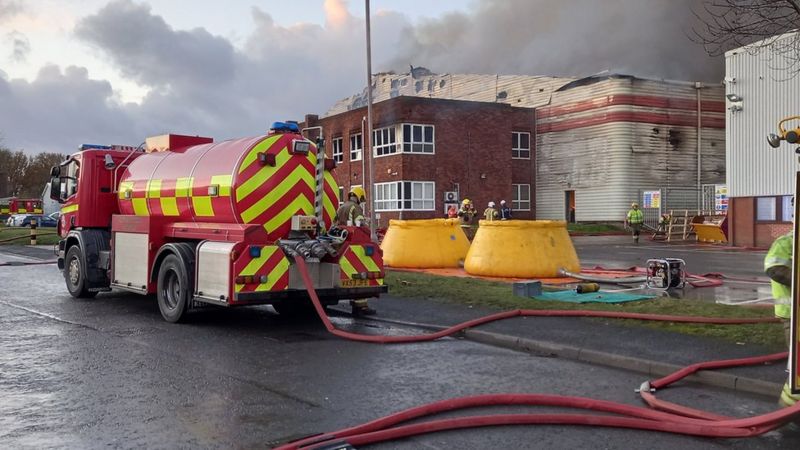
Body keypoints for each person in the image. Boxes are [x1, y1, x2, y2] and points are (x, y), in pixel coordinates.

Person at [764, 231, 800, 409]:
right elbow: (774, 268)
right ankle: (788, 411)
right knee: (797, 364)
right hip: (792, 313)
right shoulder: (786, 242)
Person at [334, 187, 376, 316]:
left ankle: (358, 304)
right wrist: (369, 231)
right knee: (360, 273)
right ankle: (361, 306)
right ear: (359, 197)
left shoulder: (342, 207)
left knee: (348, 274)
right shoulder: (356, 208)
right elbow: (359, 224)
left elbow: (335, 223)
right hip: (355, 242)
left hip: (340, 242)